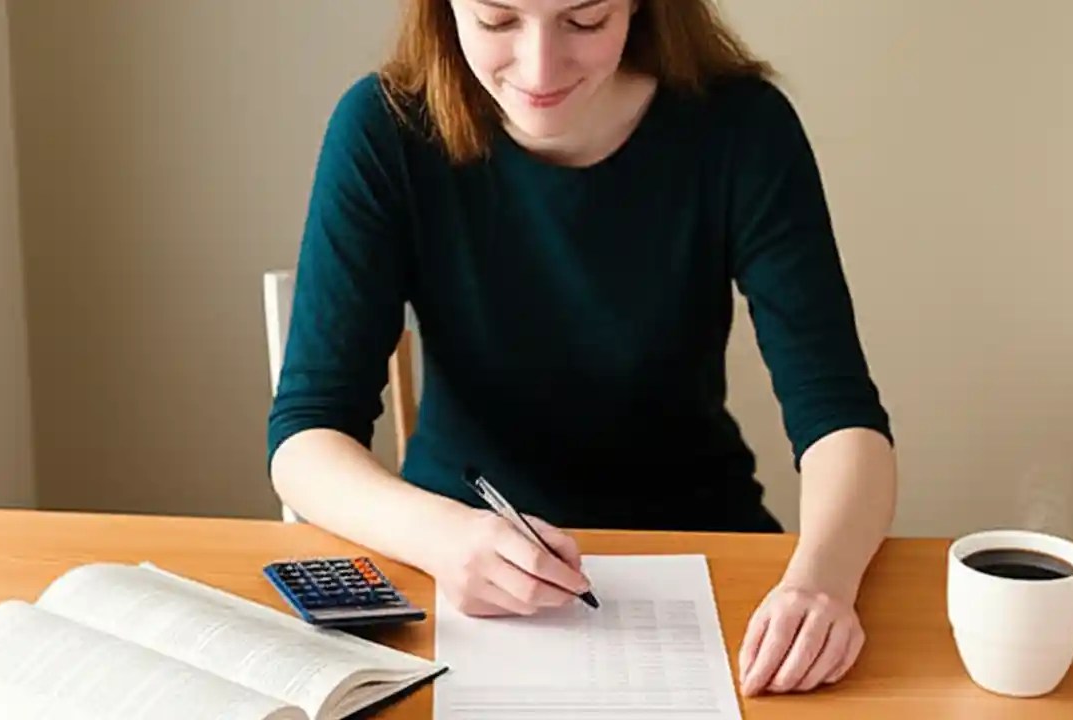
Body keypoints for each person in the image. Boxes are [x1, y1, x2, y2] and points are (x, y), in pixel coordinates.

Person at [268, 0, 897, 698]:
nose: (539, 68)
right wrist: (442, 538)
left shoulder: (741, 128)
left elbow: (840, 417)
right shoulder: (384, 129)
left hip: (706, 551)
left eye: (586, 20)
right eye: (498, 21)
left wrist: (821, 584)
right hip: (452, 563)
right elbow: (306, 436)